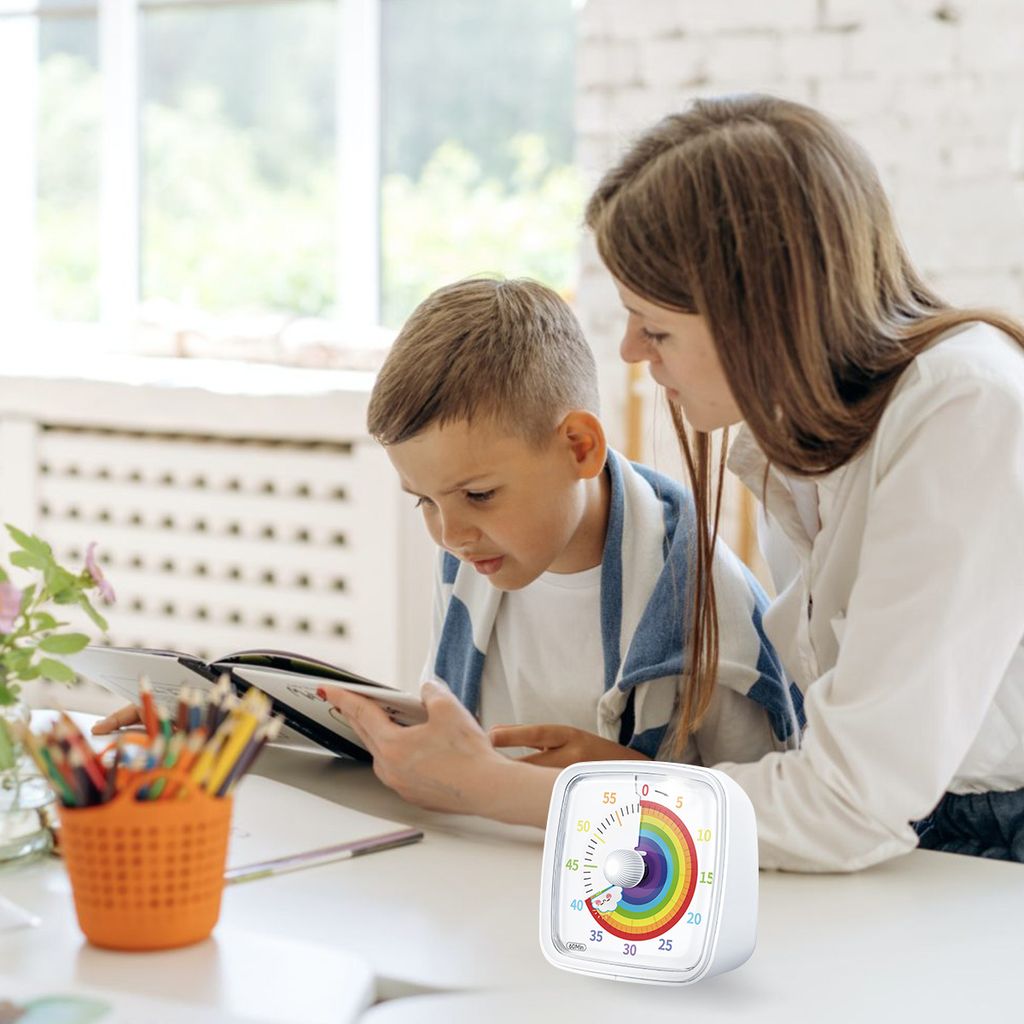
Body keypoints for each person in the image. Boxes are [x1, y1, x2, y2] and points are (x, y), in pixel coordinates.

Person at [328, 95, 1024, 871]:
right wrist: (630, 781)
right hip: (925, 841)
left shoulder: (967, 408)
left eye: (654, 326)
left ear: (760, 310)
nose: (629, 351)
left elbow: (845, 804)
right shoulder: (814, 451)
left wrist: (495, 788)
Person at [95, 276, 802, 774]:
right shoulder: (479, 556)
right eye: (423, 502)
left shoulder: (707, 604)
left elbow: (774, 809)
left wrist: (640, 789)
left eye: (480, 494)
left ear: (579, 447)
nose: (450, 534)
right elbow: (453, 748)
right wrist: (239, 728)